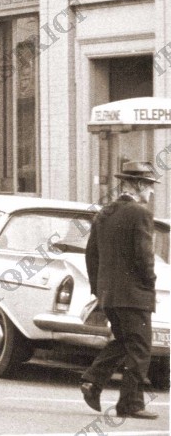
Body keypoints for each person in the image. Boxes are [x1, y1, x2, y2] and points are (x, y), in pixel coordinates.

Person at [80, 161, 161, 420]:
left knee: (124, 342)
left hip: (109, 295)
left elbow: (91, 255)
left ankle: (93, 381)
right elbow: (144, 257)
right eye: (148, 186)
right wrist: (150, 284)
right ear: (137, 185)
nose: (151, 192)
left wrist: (98, 289)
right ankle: (131, 403)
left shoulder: (104, 212)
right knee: (140, 348)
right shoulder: (140, 213)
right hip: (134, 295)